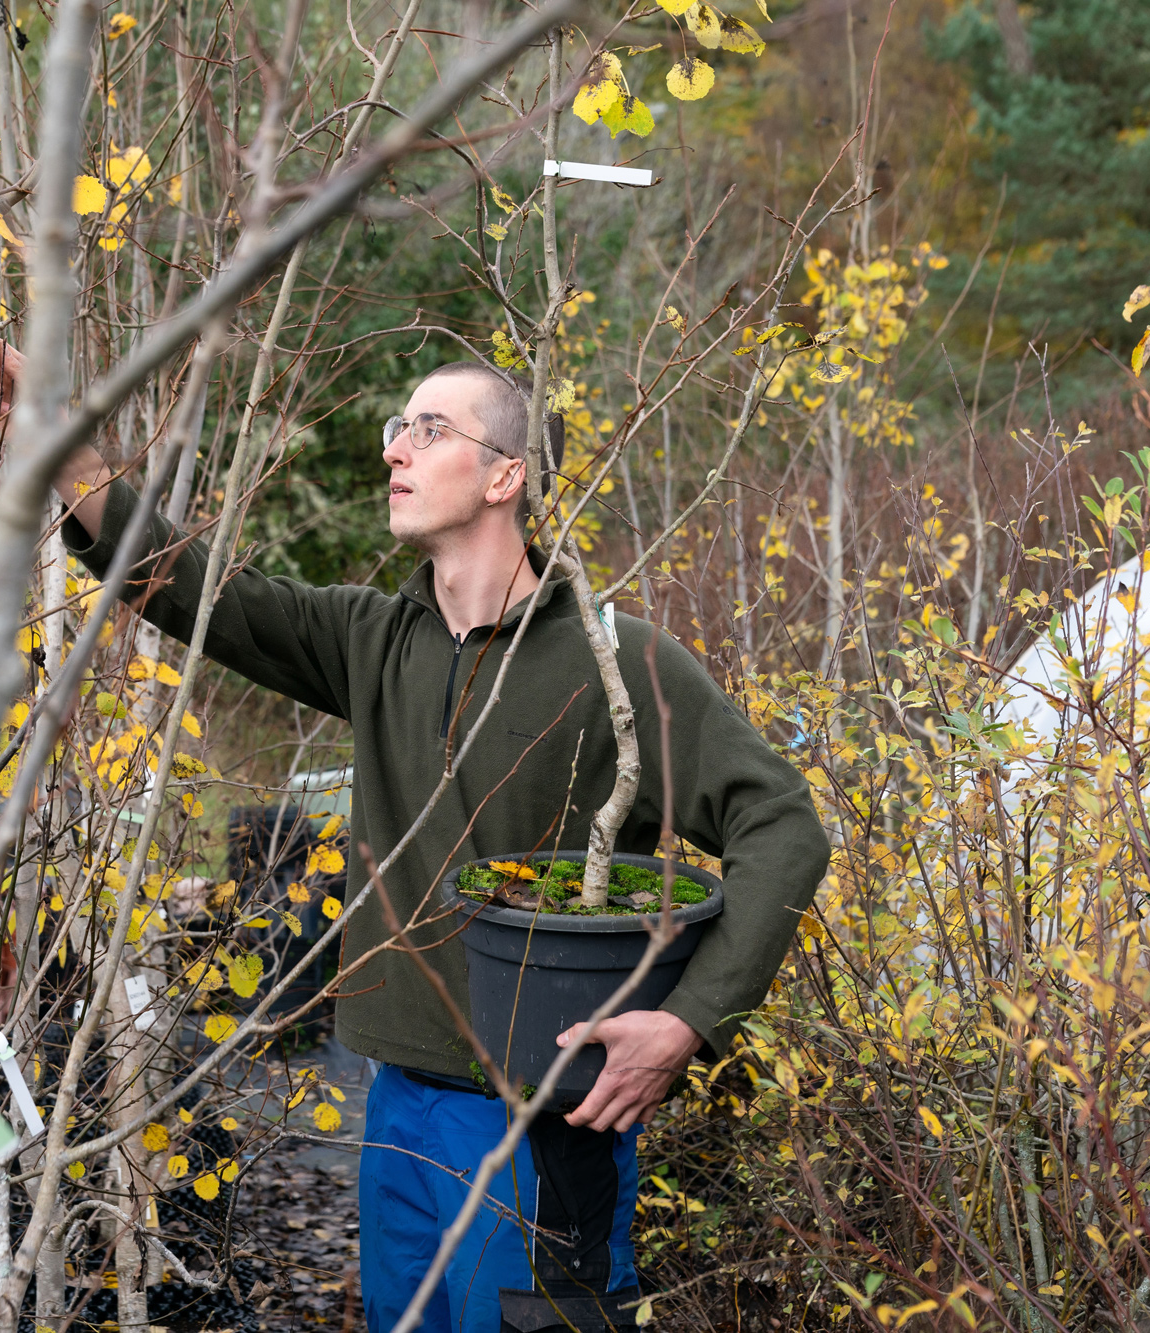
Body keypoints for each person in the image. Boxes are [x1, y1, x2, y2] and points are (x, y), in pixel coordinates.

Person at [44, 359, 830, 1332]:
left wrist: (688, 1020)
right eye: (395, 423)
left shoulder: (613, 660)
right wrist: (69, 457)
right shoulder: (371, 639)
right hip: (397, 1109)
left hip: (541, 1125)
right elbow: (193, 589)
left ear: (503, 475)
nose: (392, 448)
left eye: (428, 428)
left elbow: (780, 825)